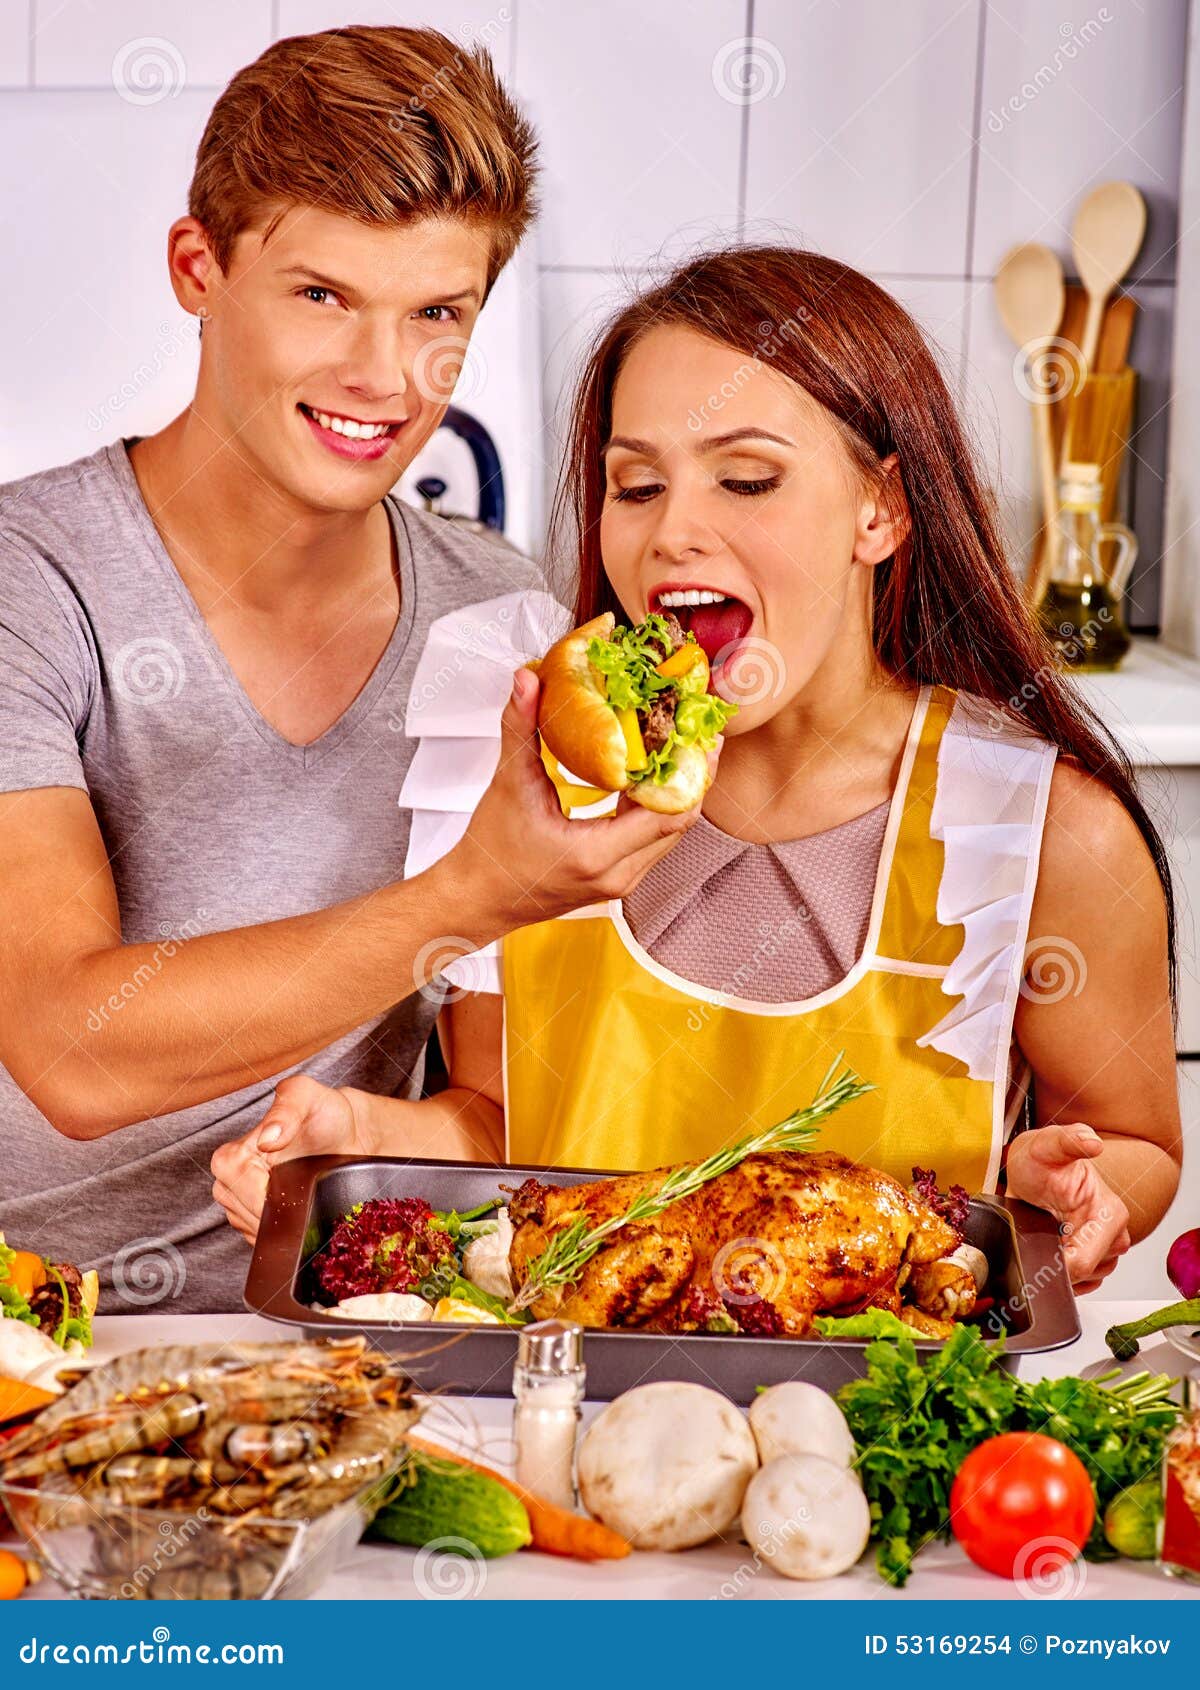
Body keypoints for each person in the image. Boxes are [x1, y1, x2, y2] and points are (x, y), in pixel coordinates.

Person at [212, 246, 1182, 1293]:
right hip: (560, 1410)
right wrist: (356, 1130)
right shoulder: (526, 796)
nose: (673, 531)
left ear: (881, 511)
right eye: (635, 485)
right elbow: (501, 1127)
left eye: (748, 478)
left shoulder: (1044, 832)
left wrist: (1071, 1187)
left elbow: (1134, 1140)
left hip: (879, 1432)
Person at [0, 27, 697, 1313]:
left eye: (436, 312)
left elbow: (501, 1117)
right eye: (323, 295)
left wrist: (378, 1136)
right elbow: (71, 1051)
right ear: (196, 269)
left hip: (343, 1332)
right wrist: (475, 888)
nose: (386, 379)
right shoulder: (27, 582)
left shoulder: (503, 619)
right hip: (33, 1333)